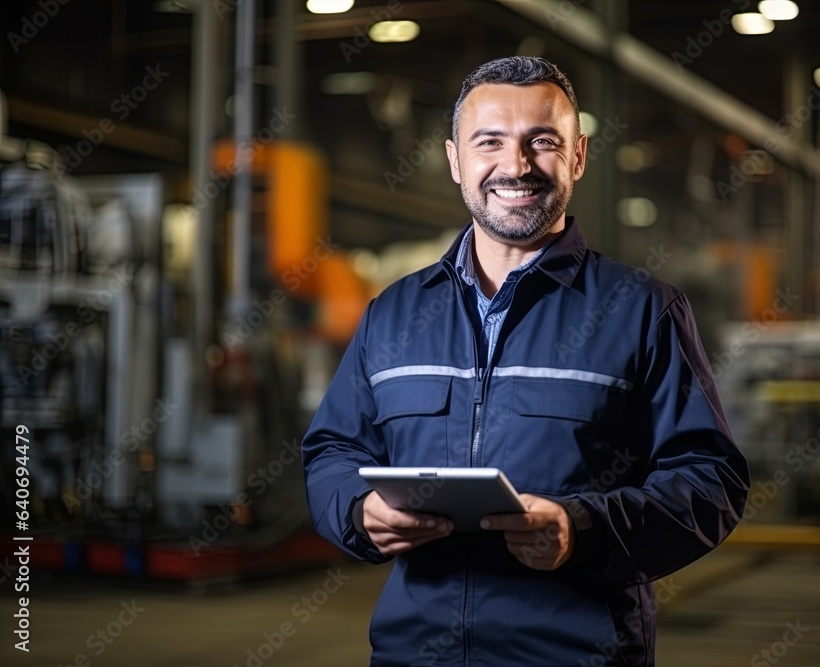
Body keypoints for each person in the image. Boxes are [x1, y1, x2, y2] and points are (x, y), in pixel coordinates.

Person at [302, 56, 749, 666]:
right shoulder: (394, 312)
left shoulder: (642, 311)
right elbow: (332, 450)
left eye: (542, 142)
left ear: (579, 155)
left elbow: (710, 482)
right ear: (456, 159)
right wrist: (357, 512)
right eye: (490, 142)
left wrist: (582, 528)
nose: (515, 167)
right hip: (414, 653)